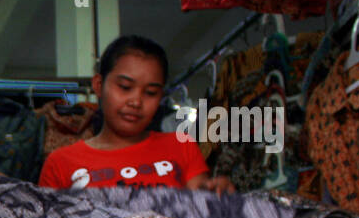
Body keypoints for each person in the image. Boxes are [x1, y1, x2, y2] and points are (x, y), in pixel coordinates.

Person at [38, 35, 236, 194]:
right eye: (125, 87)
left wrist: (218, 194)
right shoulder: (60, 163)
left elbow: (201, 211)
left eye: (150, 92)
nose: (136, 102)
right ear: (98, 85)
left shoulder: (181, 146)